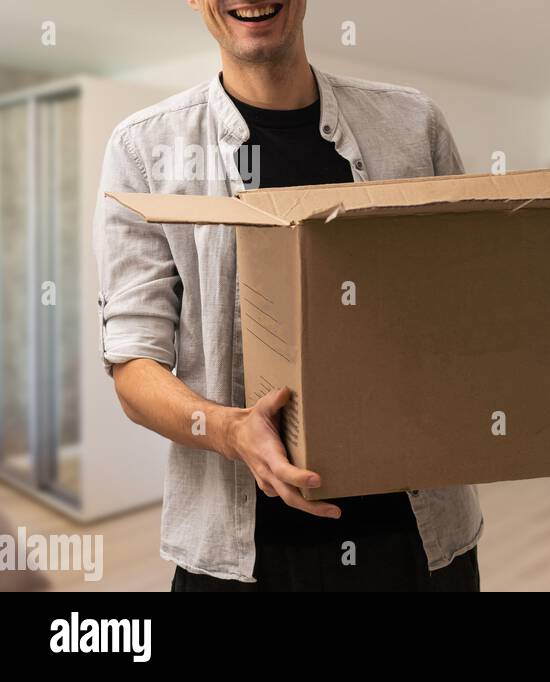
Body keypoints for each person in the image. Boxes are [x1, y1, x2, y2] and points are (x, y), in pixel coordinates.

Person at [94, 0, 482, 591]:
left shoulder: (411, 124)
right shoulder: (145, 149)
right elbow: (133, 363)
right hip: (241, 557)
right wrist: (227, 430)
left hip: (416, 541)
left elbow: (467, 303)